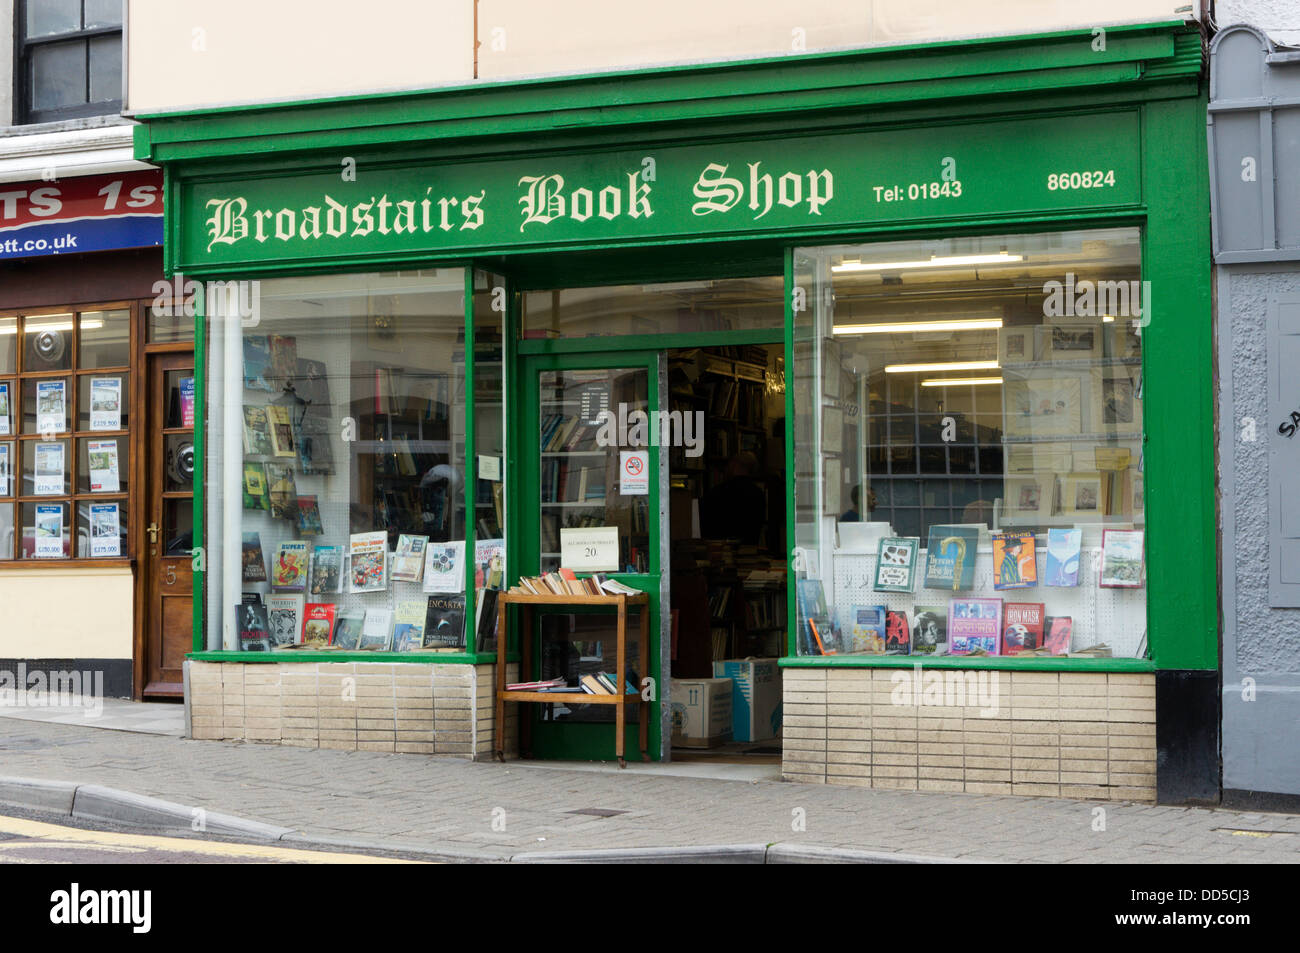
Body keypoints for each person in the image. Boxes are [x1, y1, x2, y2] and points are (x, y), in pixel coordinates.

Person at [702, 452, 767, 544]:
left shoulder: (718, 491)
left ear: (733, 465)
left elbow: (707, 524)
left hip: (721, 546)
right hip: (749, 548)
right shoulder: (758, 493)